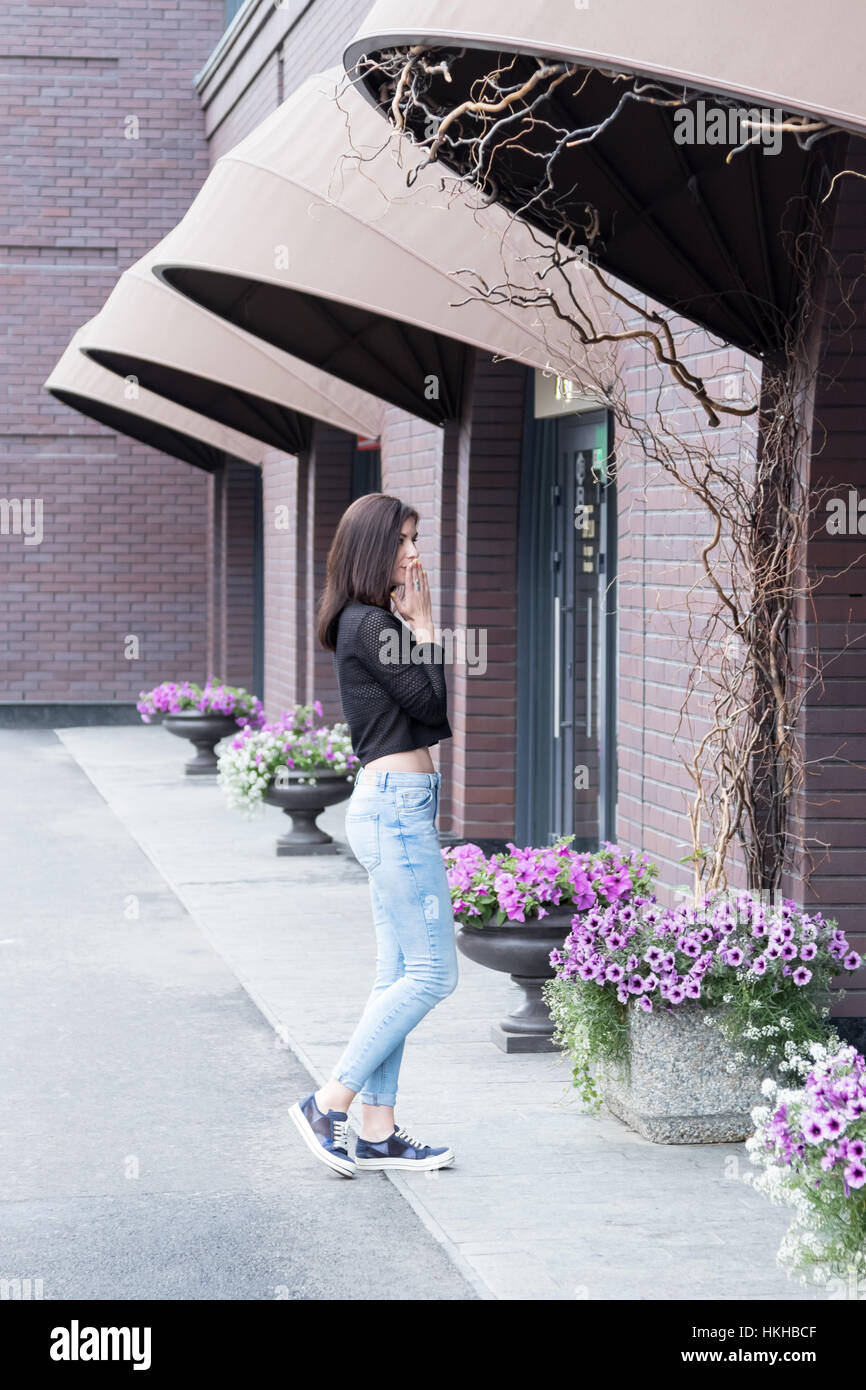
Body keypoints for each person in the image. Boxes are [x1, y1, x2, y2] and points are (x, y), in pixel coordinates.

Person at [289, 493, 459, 1178]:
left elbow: (424, 720)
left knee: (398, 974)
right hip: (394, 809)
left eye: (416, 540)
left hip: (397, 804)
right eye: (404, 542)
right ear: (372, 550)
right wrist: (426, 625)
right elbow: (433, 706)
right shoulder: (370, 625)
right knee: (433, 974)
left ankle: (379, 1132)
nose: (415, 555)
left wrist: (415, 627)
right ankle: (326, 1103)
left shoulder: (371, 622)